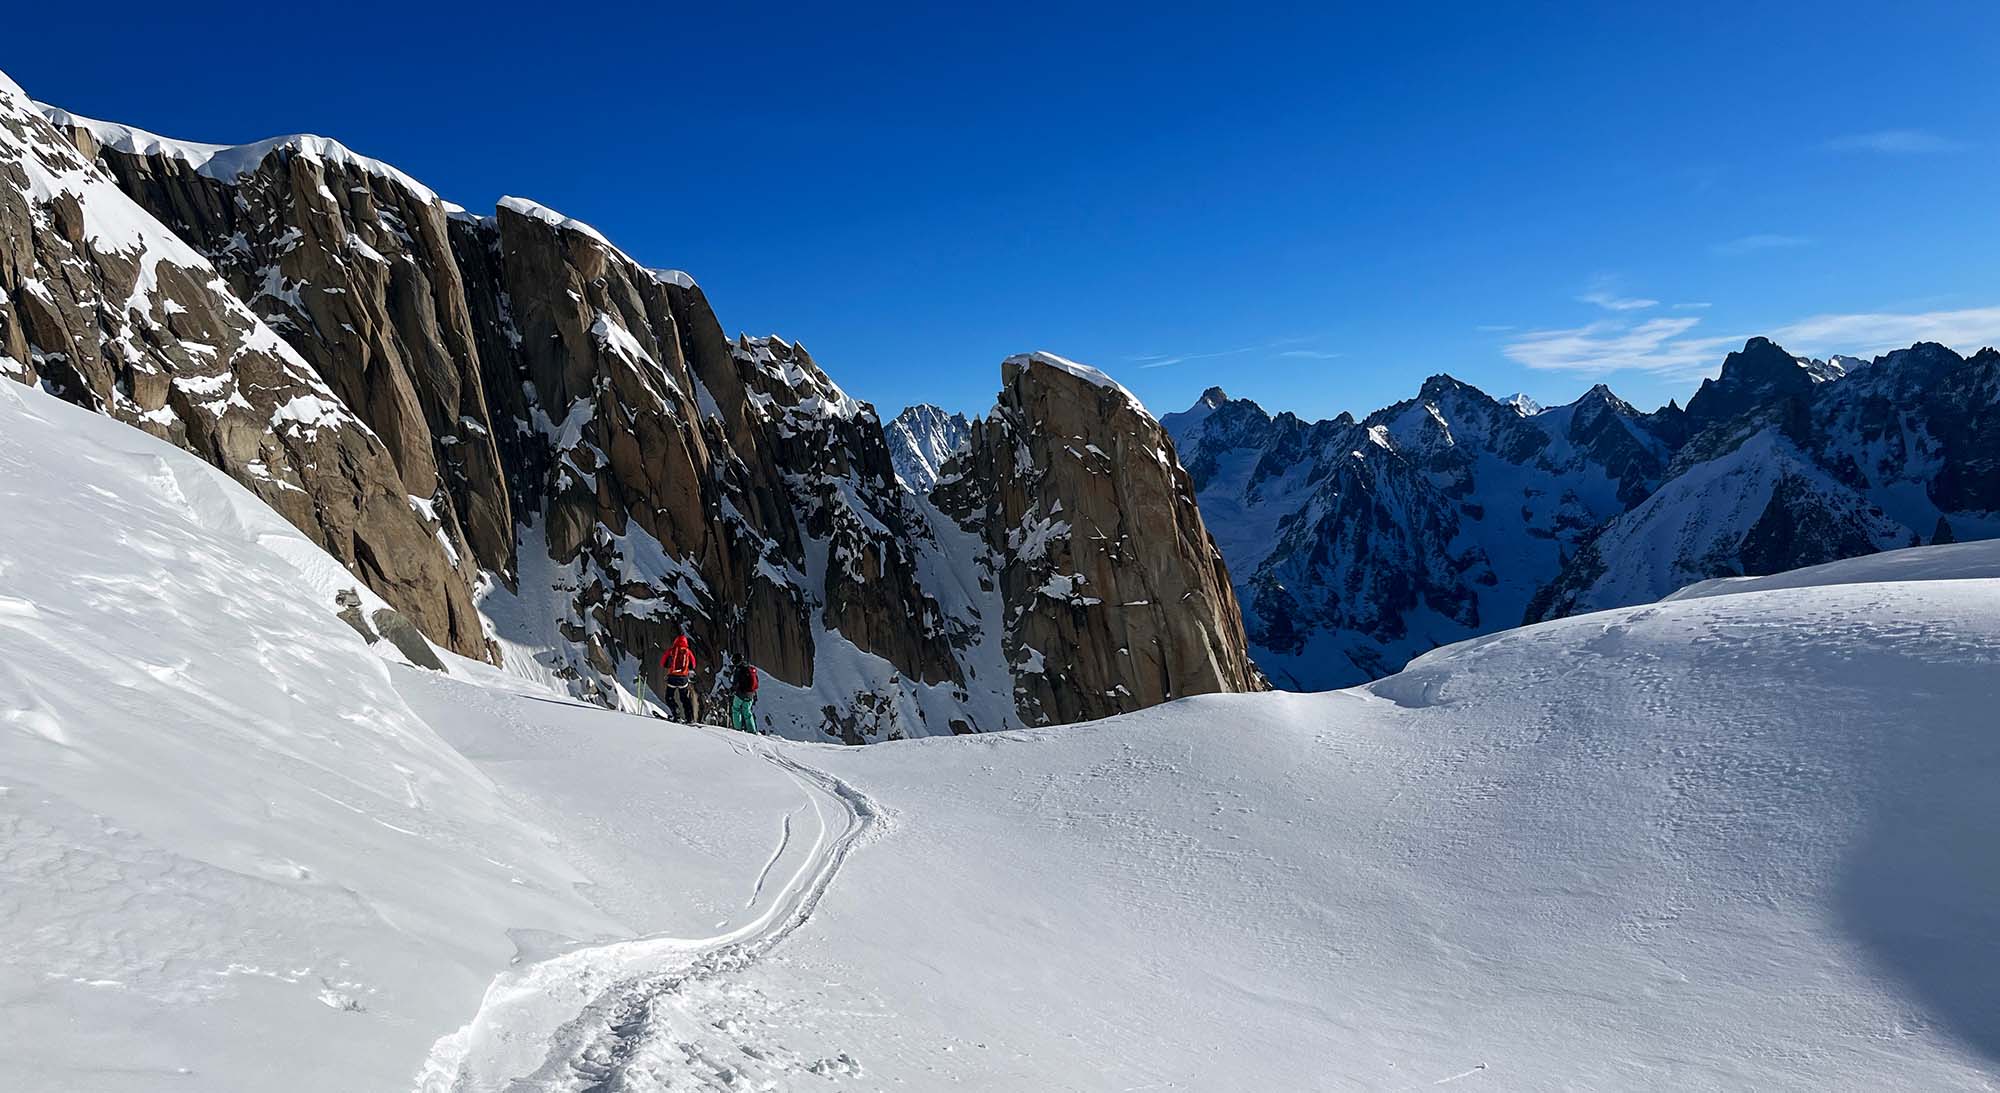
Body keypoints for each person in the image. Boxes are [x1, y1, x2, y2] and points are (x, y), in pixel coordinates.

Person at [659, 635, 699, 723]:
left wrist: (669, 666)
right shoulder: (688, 652)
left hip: (672, 678)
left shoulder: (671, 651)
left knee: (669, 697)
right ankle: (690, 718)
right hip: (683, 679)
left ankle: (676, 712)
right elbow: (693, 665)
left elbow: (662, 663)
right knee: (684, 698)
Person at [729, 661, 759, 734]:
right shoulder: (750, 669)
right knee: (747, 711)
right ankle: (752, 730)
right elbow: (757, 681)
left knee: (736, 709)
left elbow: (735, 683)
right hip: (751, 694)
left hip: (741, 694)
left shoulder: (739, 669)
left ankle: (737, 728)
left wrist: (732, 690)